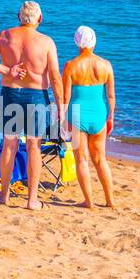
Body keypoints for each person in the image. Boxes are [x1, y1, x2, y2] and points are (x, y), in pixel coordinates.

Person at [0, 0, 60, 211]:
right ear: (40, 19)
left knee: (9, 145)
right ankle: (32, 200)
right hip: (36, 96)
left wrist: (7, 71)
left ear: (18, 17)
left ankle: (3, 196)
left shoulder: (5, 35)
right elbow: (55, 77)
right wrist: (61, 105)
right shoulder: (46, 42)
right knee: (34, 146)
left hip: (11, 93)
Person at [61, 25, 116, 209]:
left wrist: (62, 117)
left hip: (77, 116)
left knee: (82, 160)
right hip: (99, 114)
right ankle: (110, 201)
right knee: (100, 159)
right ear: (94, 41)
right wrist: (111, 117)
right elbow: (110, 96)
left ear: (76, 42)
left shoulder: (70, 66)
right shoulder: (106, 65)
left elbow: (66, 96)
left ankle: (89, 202)